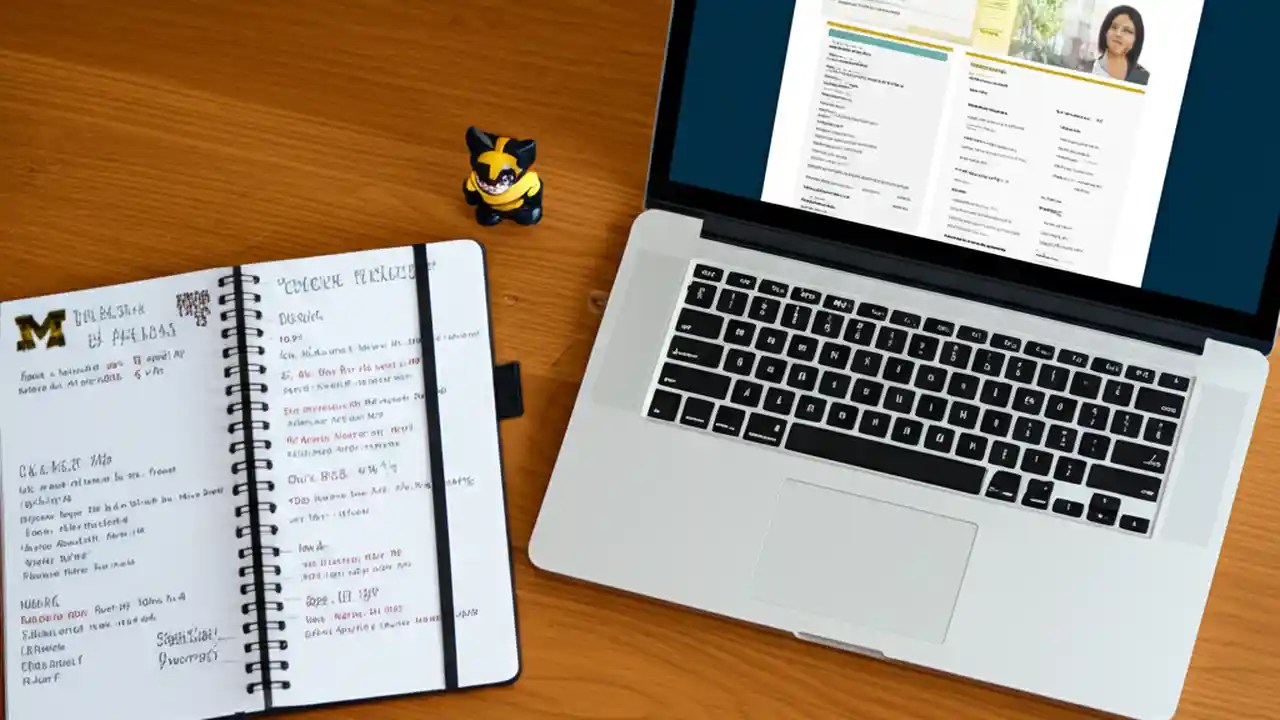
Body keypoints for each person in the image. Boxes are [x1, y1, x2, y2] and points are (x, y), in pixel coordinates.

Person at [1086, 5, 1150, 85]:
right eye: (1114, 27)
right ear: (1105, 32)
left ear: (1136, 40)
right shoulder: (1085, 70)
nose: (1118, 34)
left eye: (1127, 31)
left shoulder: (1144, 77)